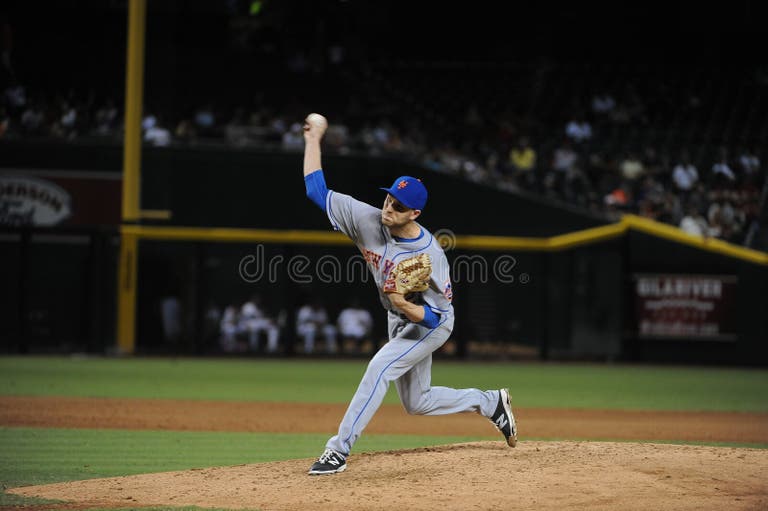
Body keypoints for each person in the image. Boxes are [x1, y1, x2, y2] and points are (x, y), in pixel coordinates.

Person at [301, 113, 517, 476]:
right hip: (397, 315)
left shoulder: (430, 255)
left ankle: (337, 451)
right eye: (388, 199)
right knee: (418, 402)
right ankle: (490, 402)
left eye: (399, 207)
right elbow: (315, 191)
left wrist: (402, 303)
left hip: (431, 320)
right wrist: (313, 139)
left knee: (379, 368)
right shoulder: (367, 218)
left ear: (414, 213)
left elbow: (436, 317)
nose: (389, 208)